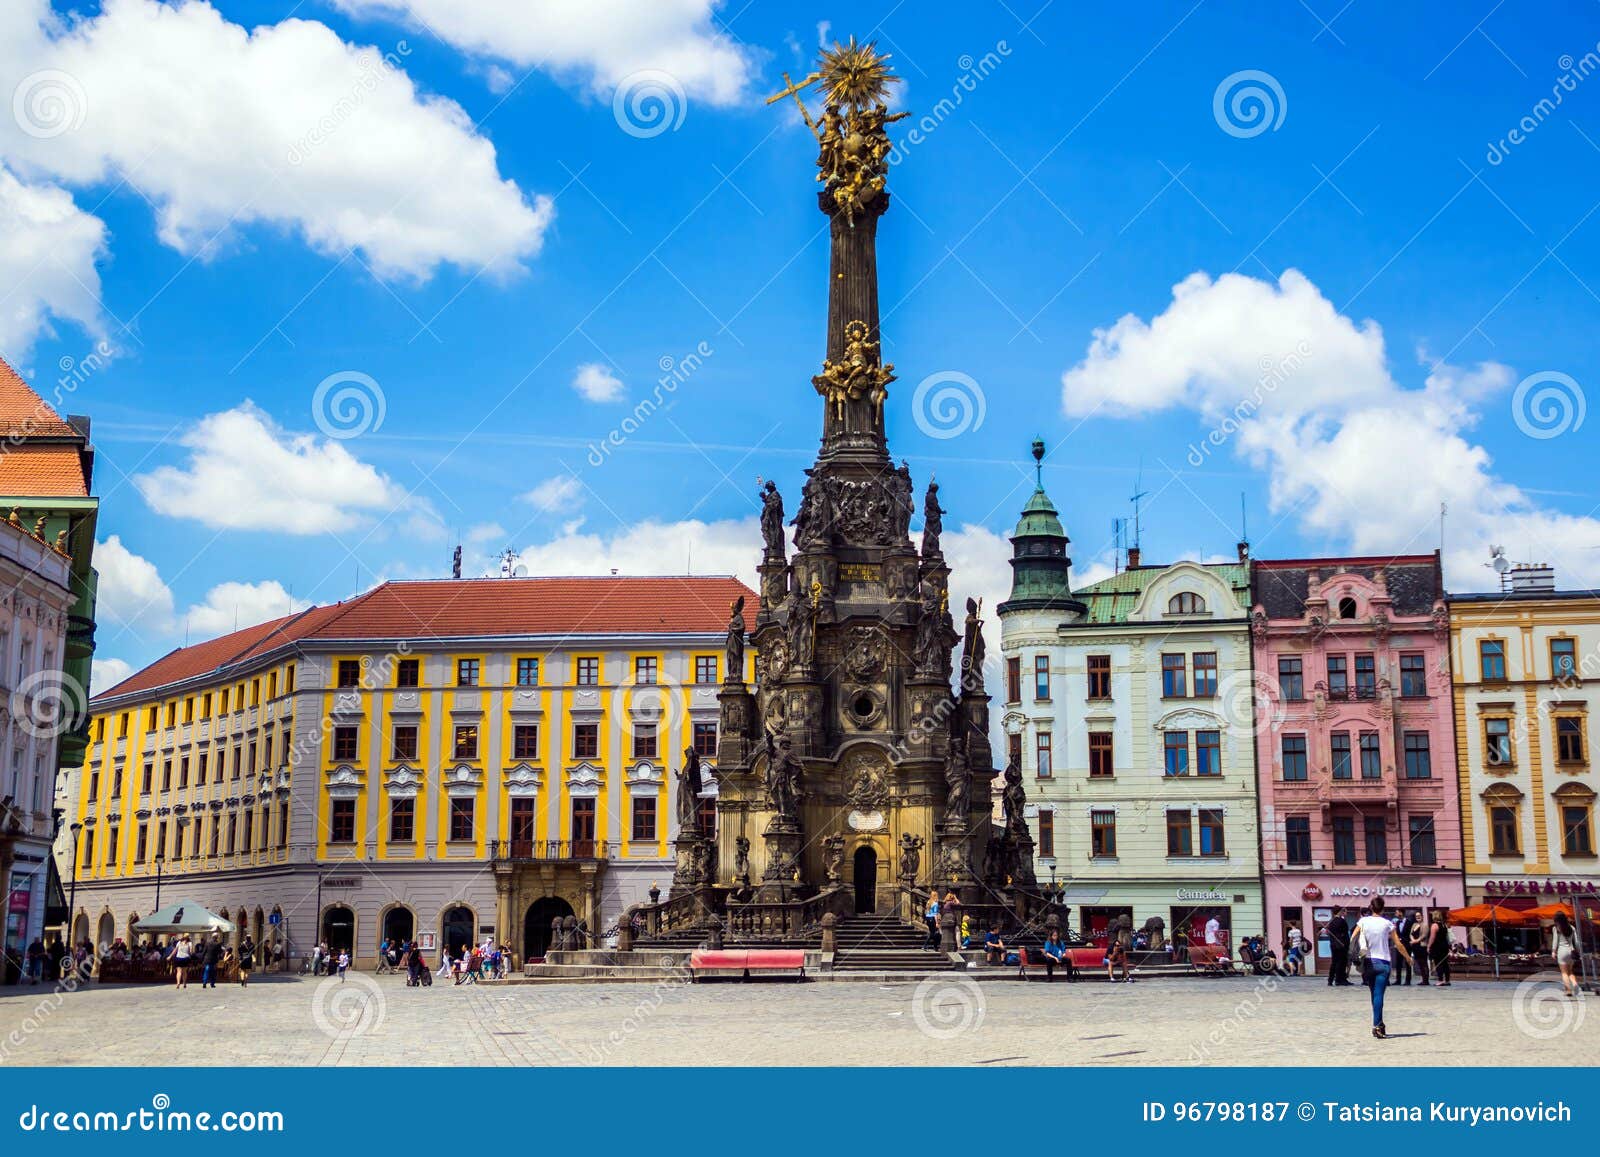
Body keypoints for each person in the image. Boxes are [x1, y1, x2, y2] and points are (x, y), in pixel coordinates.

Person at [1352, 897, 1413, 1039]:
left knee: (1374, 994)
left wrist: (1357, 952)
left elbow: (1353, 938)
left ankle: (1379, 1023)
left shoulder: (1363, 921)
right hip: (1383, 962)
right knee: (1379, 994)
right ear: (1383, 908)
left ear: (1371, 908)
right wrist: (1408, 958)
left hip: (1368, 962)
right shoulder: (1388, 924)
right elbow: (1398, 944)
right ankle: (1377, 1025)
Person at [1551, 911, 1582, 999]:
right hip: (1571, 951)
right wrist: (1578, 951)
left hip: (1562, 951)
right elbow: (1576, 941)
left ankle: (1568, 990)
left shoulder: (1556, 928)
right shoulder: (1572, 927)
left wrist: (1553, 951)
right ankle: (1575, 984)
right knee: (1570, 971)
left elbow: (1555, 941)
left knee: (1564, 973)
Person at [1326, 909, 1352, 986]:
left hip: (1333, 945)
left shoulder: (1330, 922)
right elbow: (1345, 933)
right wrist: (1347, 944)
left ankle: (1330, 980)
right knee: (1341, 962)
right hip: (1342, 945)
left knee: (1334, 962)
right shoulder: (1342, 921)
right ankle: (1340, 979)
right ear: (1339, 912)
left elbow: (1329, 933)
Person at [1426, 912, 1452, 987]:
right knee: (1445, 964)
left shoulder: (1434, 925)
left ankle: (1440, 980)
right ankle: (1447, 980)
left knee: (1438, 963)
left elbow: (1432, 937)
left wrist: (1429, 946)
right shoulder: (1444, 925)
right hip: (1445, 946)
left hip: (1437, 947)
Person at [1392, 911, 1414, 986]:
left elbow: (1411, 933)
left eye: (1396, 912)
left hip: (1407, 945)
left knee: (1408, 962)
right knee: (1398, 963)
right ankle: (1398, 980)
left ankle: (1408, 980)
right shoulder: (1397, 922)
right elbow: (1397, 934)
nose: (1395, 914)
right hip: (1399, 945)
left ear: (1401, 913)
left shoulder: (1409, 922)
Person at [1408, 918, 1429, 986]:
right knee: (1420, 963)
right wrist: (1413, 940)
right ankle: (1423, 979)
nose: (1417, 917)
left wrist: (1416, 941)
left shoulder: (1425, 925)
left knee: (1424, 963)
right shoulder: (1414, 925)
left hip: (1422, 946)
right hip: (1415, 947)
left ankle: (1426, 980)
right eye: (1416, 916)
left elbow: (1424, 935)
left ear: (1422, 917)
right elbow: (1411, 934)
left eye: (1419, 915)